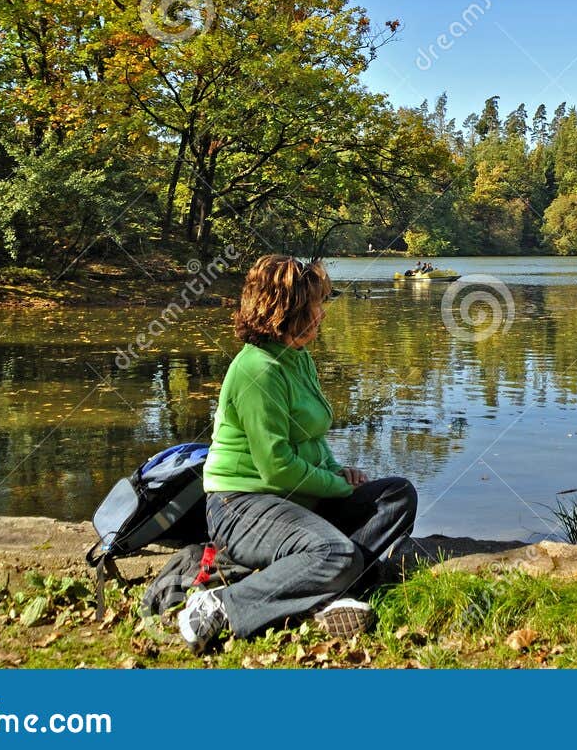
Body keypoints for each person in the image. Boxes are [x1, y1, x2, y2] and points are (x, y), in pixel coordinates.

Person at [178, 254, 418, 652]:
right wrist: (338, 489)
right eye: (314, 306)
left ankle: (322, 591)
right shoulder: (257, 371)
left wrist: (336, 470)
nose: (322, 314)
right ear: (283, 311)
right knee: (336, 553)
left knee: (397, 495)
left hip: (295, 499)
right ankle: (220, 605)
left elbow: (311, 435)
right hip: (243, 504)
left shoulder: (297, 357)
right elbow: (277, 469)